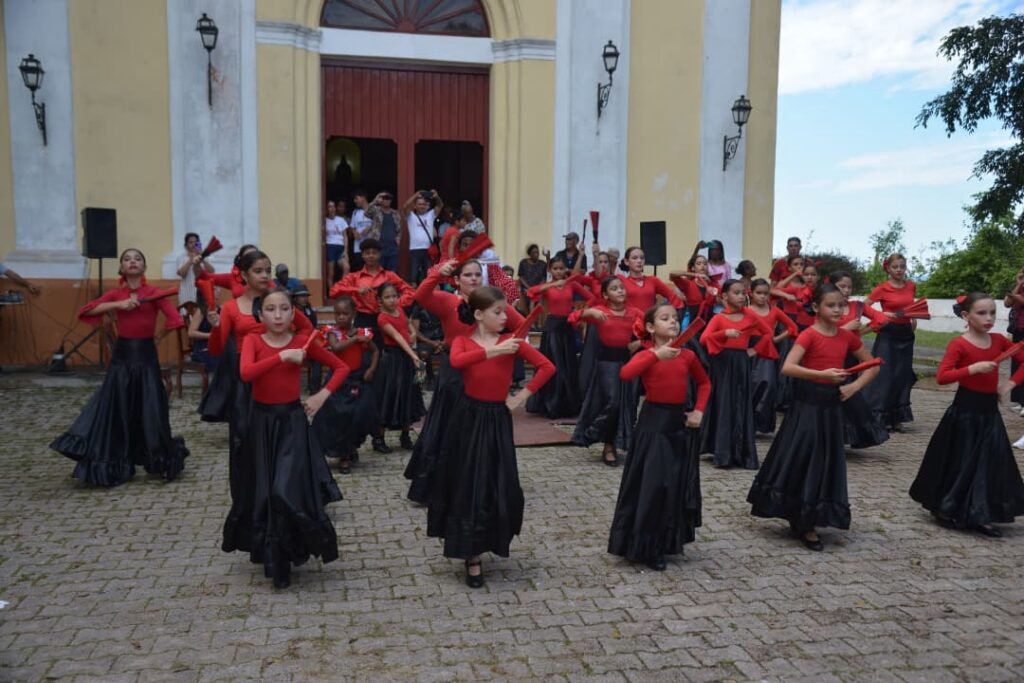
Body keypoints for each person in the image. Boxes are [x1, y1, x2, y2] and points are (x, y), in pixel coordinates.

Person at [426, 286, 555, 588]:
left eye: (505, 311)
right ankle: (470, 554)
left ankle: (490, 538)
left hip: (497, 419)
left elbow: (547, 367)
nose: (504, 317)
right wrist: (496, 350)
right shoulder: (463, 340)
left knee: (496, 480)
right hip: (467, 419)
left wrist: (520, 397)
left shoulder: (513, 341)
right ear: (478, 315)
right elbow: (458, 361)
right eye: (498, 312)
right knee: (468, 482)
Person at [747, 284, 880, 551]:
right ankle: (802, 520)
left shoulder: (846, 337)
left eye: (841, 305)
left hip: (831, 409)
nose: (837, 309)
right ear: (816, 307)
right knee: (803, 458)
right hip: (806, 407)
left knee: (826, 461)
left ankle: (815, 514)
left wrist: (853, 387)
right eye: (831, 305)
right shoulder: (809, 335)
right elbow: (788, 367)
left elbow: (873, 364)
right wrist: (823, 376)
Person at [232, 288, 348, 589]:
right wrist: (282, 357)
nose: (279, 315)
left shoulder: (301, 342)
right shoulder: (253, 340)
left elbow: (341, 367)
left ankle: (292, 548)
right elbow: (246, 373)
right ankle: (275, 556)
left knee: (284, 489)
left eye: (285, 309)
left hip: (292, 423)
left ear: (292, 313)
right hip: (260, 424)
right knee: (265, 491)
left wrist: (322, 395)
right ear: (260, 315)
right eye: (271, 309)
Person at [49, 248, 188, 486]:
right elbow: (86, 312)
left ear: (144, 267)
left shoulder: (154, 293)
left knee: (151, 408)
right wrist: (120, 305)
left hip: (146, 357)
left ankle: (157, 457)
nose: (132, 262)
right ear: (122, 268)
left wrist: (157, 338)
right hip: (122, 359)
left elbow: (176, 320)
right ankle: (118, 460)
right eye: (127, 259)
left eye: (137, 258)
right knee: (119, 407)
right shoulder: (115, 294)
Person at [208, 250, 314, 553]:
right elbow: (216, 350)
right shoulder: (231, 307)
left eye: (267, 270)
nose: (265, 275)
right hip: (246, 387)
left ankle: (286, 510)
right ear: (243, 274)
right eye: (258, 270)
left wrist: (299, 351)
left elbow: (307, 329)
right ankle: (252, 517)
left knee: (280, 453)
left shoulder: (278, 302)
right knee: (247, 453)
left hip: (278, 382)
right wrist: (215, 325)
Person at [405, 259, 527, 504]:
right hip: (454, 371)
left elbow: (522, 326)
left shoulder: (493, 303)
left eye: (477, 274)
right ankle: (441, 486)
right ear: (457, 279)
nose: (473, 279)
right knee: (448, 427)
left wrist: (500, 343)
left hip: (483, 368)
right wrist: (437, 274)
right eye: (468, 275)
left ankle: (481, 484)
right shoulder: (447, 300)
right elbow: (420, 296)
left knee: (479, 429)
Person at [908, 292, 1024, 537]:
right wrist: (972, 368)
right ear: (966, 316)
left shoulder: (999, 341)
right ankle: (947, 508)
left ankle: (981, 512)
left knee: (988, 463)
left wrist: (1010, 384)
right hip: (964, 413)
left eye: (993, 312)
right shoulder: (959, 344)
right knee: (960, 462)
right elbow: (942, 377)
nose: (989, 318)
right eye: (982, 313)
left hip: (989, 414)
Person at [609, 304, 710, 570]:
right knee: (652, 484)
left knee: (672, 484)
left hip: (677, 425)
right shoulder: (646, 354)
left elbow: (705, 383)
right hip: (652, 425)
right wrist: (657, 356)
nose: (673, 323)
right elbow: (625, 374)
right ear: (651, 327)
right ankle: (645, 545)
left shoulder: (687, 356)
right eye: (665, 319)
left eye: (675, 319)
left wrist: (698, 410)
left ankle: (665, 541)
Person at [699, 280, 776, 469]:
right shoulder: (718, 318)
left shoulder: (749, 315)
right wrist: (724, 333)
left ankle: (741, 451)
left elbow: (768, 334)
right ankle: (721, 451)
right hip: (722, 365)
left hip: (741, 363)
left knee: (740, 403)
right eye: (737, 293)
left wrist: (754, 351)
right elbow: (703, 339)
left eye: (743, 293)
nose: (742, 296)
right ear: (725, 296)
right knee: (722, 403)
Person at [570, 277, 643, 465]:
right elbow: (572, 318)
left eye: (622, 288)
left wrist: (641, 342)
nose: (620, 291)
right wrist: (590, 311)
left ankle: (611, 444)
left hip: (628, 363)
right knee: (613, 403)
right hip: (606, 364)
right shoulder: (600, 311)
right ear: (605, 295)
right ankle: (593, 433)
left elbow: (653, 330)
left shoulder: (635, 312)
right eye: (614, 288)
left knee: (627, 404)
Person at [312, 296, 379, 475]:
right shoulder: (332, 332)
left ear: (353, 314)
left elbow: (375, 351)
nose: (341, 317)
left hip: (356, 379)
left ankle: (349, 449)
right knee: (336, 415)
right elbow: (336, 348)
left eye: (345, 313)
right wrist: (355, 339)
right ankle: (341, 454)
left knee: (356, 416)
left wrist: (371, 368)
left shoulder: (363, 333)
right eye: (337, 313)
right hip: (337, 379)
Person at [525, 256, 595, 418]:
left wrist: (580, 313)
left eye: (561, 268)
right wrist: (554, 284)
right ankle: (550, 404)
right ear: (550, 270)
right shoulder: (548, 286)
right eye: (555, 269)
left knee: (568, 365)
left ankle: (567, 405)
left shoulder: (572, 284)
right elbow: (531, 292)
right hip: (552, 329)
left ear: (565, 270)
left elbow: (591, 297)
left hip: (568, 327)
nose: (558, 271)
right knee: (555, 366)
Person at [831, 271, 890, 449]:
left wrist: (861, 332)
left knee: (848, 393)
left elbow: (882, 319)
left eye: (849, 287)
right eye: (842, 286)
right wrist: (846, 329)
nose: (846, 290)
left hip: (851, 354)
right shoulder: (828, 307)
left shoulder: (857, 306)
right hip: (831, 354)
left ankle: (849, 435)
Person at [860, 253, 917, 432]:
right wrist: (882, 315)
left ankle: (896, 418)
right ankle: (878, 415)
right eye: (895, 267)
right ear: (888, 268)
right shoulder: (882, 288)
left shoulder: (911, 286)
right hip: (887, 333)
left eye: (902, 266)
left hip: (906, 333)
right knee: (885, 373)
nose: (899, 270)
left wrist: (914, 318)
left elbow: (911, 305)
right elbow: (863, 306)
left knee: (902, 374)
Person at [374, 282, 426, 452]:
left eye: (394, 296)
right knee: (389, 397)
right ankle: (379, 439)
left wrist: (412, 333)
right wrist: (413, 355)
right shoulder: (382, 317)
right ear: (380, 300)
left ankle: (405, 435)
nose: (392, 300)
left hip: (406, 359)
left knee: (408, 395)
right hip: (392, 360)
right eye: (387, 297)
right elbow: (397, 337)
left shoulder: (400, 311)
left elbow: (408, 325)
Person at [328, 238, 415, 340]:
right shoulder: (354, 277)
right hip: (362, 319)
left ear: (379, 254)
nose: (371, 256)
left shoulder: (389, 276)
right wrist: (356, 290)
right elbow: (333, 291)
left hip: (386, 317)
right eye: (367, 253)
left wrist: (394, 303)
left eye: (374, 253)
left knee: (386, 351)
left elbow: (410, 292)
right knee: (364, 352)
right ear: (362, 255)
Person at [747, 278, 798, 434]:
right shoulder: (746, 310)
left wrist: (775, 339)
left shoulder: (774, 310)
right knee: (749, 385)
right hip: (748, 349)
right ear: (751, 293)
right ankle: (748, 422)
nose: (762, 296)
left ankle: (760, 422)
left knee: (767, 383)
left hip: (767, 350)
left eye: (766, 293)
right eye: (759, 293)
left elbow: (792, 327)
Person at [617, 247, 683, 312]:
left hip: (648, 321)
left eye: (642, 258)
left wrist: (673, 314)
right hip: (631, 321)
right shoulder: (621, 281)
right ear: (626, 261)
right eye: (635, 258)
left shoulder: (653, 280)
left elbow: (672, 296)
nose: (639, 261)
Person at [403, 189, 444, 284]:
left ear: (428, 206)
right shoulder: (410, 216)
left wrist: (436, 197)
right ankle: (412, 296)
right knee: (413, 276)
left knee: (429, 276)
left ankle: (428, 296)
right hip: (415, 250)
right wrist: (415, 195)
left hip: (428, 250)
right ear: (415, 206)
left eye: (425, 204)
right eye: (420, 204)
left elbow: (440, 205)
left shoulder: (431, 215)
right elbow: (405, 207)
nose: (422, 206)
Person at [292, 286, 321, 392]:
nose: (305, 298)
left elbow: (313, 328)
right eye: (302, 296)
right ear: (295, 298)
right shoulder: (290, 311)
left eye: (306, 296)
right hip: (292, 345)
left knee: (318, 359)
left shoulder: (309, 311)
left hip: (308, 345)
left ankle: (314, 390)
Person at [1003, 265, 1024, 414]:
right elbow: (1007, 302)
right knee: (1017, 364)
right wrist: (1018, 284)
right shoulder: (1019, 287)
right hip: (1018, 330)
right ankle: (1019, 400)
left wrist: (1017, 298)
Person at [364, 192, 400, 272]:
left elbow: (399, 230)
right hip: (379, 245)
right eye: (384, 199)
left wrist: (398, 239)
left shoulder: (395, 213)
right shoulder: (376, 211)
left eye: (388, 199)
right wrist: (376, 199)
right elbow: (366, 213)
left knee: (392, 271)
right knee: (378, 270)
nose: (386, 201)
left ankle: (389, 285)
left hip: (392, 246)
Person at [177, 232, 215, 309]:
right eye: (190, 242)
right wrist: (191, 259)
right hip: (186, 294)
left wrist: (202, 257)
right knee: (186, 318)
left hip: (202, 294)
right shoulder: (181, 258)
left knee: (201, 316)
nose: (193, 245)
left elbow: (212, 272)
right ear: (186, 245)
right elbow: (182, 274)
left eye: (196, 242)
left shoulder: (205, 257)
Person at [348, 190, 377, 272]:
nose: (355, 201)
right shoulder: (355, 212)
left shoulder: (374, 210)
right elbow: (352, 226)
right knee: (360, 269)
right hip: (358, 247)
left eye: (356, 198)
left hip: (371, 247)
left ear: (363, 198)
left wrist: (369, 227)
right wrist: (354, 232)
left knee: (371, 269)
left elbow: (379, 223)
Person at [517, 244, 548, 316]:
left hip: (538, 288)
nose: (536, 254)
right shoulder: (523, 263)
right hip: (526, 288)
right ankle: (531, 322)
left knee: (537, 301)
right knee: (530, 299)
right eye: (533, 253)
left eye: (537, 252)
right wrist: (529, 288)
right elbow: (521, 277)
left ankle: (537, 323)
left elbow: (544, 278)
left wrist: (538, 288)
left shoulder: (542, 264)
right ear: (529, 254)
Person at [324, 200, 349, 284]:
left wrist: (345, 251)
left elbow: (345, 236)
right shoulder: (324, 220)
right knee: (331, 273)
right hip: (330, 247)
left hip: (340, 247)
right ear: (327, 209)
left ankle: (342, 288)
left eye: (333, 206)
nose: (332, 209)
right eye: (329, 207)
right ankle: (331, 293)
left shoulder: (341, 220)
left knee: (346, 267)